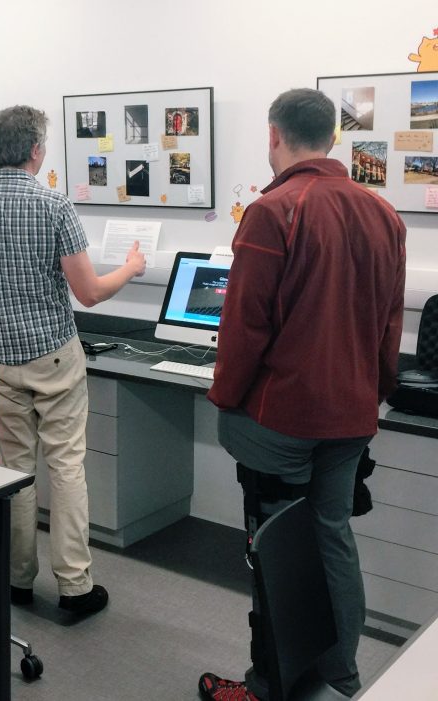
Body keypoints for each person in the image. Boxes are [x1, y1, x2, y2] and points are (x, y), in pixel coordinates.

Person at [199, 89, 406, 701]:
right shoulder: (384, 214)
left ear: (273, 136)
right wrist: (373, 395)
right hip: (350, 417)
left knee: (273, 555)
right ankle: (341, 678)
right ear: (333, 139)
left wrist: (225, 397)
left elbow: (244, 327)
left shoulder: (274, 210)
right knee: (333, 539)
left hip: (279, 421)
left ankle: (268, 686)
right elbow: (389, 328)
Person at [0, 105, 146, 618]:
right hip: (52, 357)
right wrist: (132, 268)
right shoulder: (54, 206)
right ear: (35, 150)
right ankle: (75, 587)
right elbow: (90, 294)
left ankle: (17, 579)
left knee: (16, 471)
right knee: (67, 467)